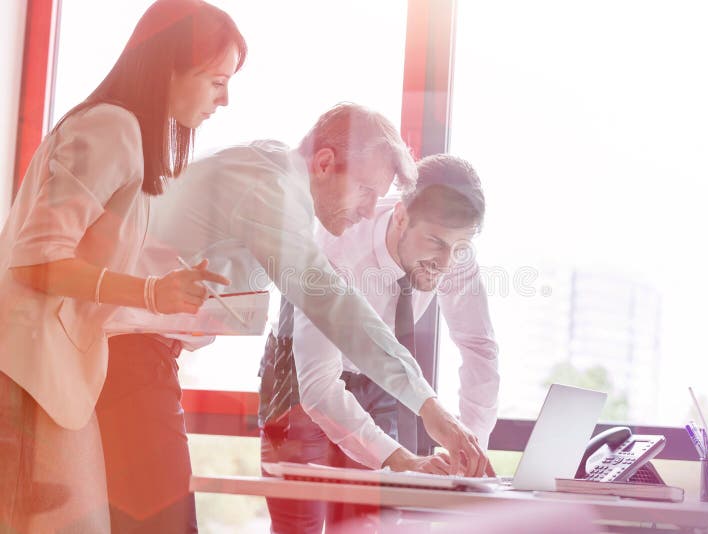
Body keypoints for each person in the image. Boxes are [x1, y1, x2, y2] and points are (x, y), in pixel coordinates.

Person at [128, 105, 488, 519]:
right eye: (367, 192)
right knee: (161, 519)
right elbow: (335, 309)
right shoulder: (270, 194)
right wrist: (429, 408)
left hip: (149, 349)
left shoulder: (274, 177)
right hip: (130, 345)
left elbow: (477, 346)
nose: (372, 211)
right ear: (324, 163)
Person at [0, 1, 246, 532]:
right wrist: (153, 294)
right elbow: (35, 260)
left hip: (44, 371)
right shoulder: (115, 127)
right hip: (29, 373)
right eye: (217, 81)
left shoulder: (122, 133)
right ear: (170, 67)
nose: (225, 99)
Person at [259, 154, 500, 533]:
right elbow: (319, 388)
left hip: (385, 380)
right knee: (298, 524)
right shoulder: (338, 248)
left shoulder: (453, 255)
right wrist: (399, 457)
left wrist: (469, 444)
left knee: (368, 526)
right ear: (401, 217)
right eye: (435, 241)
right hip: (302, 379)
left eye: (459, 246)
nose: (445, 261)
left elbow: (478, 347)